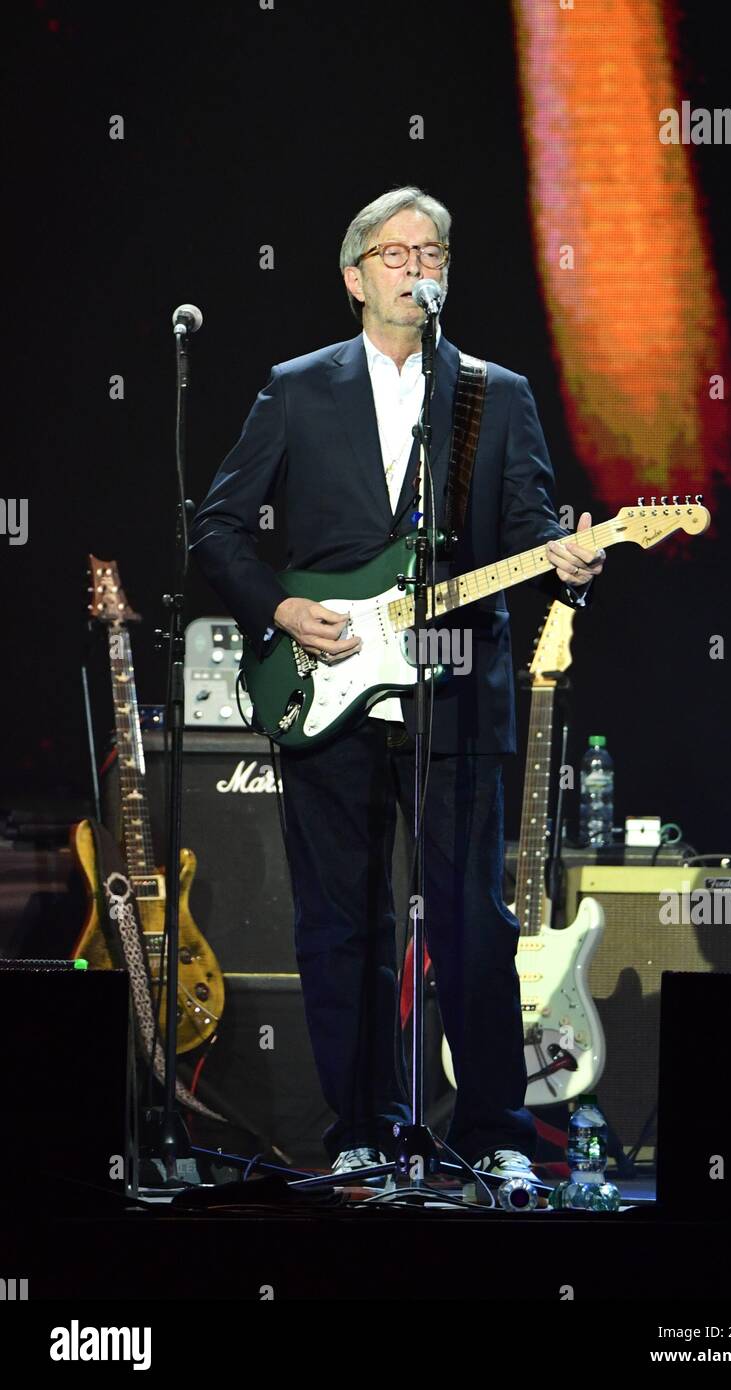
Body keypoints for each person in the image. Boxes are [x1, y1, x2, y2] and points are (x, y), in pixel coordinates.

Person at [190, 186, 606, 1188]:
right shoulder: (296, 387)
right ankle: (362, 1130)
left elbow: (528, 522)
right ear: (354, 277)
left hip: (456, 696)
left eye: (433, 251)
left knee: (474, 922)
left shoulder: (491, 393)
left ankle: (498, 1131)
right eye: (394, 252)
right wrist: (282, 611)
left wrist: (567, 558)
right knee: (343, 927)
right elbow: (217, 524)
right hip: (325, 684)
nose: (417, 266)